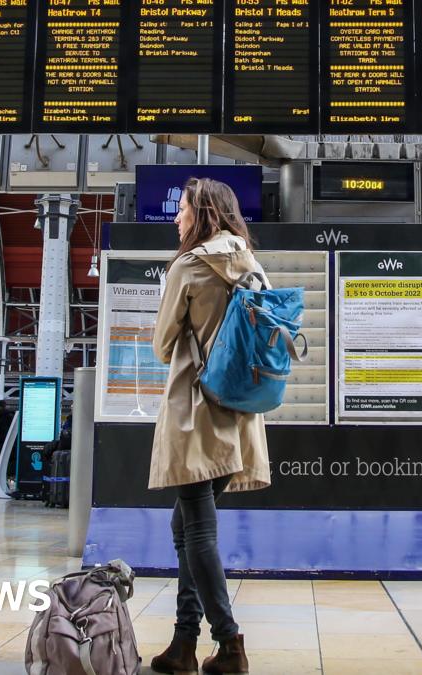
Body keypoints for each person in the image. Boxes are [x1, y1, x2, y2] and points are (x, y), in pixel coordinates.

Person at [146, 178, 269, 675]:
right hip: (238, 414)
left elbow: (161, 344)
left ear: (203, 214)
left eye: (183, 210)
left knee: (197, 531)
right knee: (186, 526)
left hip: (196, 413)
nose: (177, 218)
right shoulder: (251, 265)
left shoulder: (190, 265)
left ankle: (229, 642)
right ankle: (182, 645)